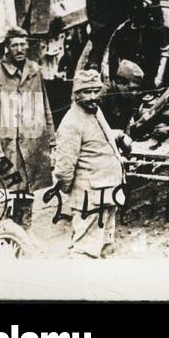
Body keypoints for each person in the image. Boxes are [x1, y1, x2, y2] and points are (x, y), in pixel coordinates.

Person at [0, 27, 54, 226]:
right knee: (0, 199)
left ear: (28, 45)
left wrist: (51, 140)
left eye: (23, 44)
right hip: (5, 148)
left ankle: (22, 241)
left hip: (29, 148)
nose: (19, 49)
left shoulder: (35, 71)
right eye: (15, 45)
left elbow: (44, 107)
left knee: (25, 198)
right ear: (7, 48)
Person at [50, 68, 128, 258]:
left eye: (96, 91)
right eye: (87, 92)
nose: (93, 96)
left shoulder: (94, 111)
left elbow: (98, 137)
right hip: (90, 199)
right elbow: (64, 169)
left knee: (106, 247)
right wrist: (77, 193)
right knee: (85, 252)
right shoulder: (71, 123)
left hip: (109, 192)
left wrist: (119, 135)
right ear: (76, 94)